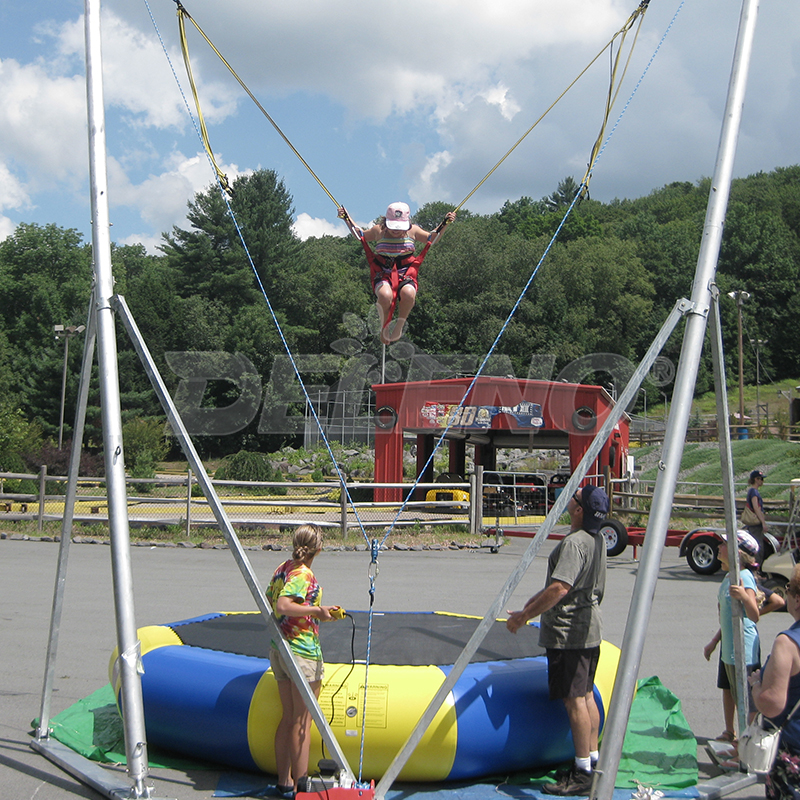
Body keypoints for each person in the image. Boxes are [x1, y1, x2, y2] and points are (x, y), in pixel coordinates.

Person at [506, 485, 610, 796]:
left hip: (569, 633)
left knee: (574, 699)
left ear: (579, 510)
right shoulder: (598, 539)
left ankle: (581, 772)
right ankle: (591, 761)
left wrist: (525, 617)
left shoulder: (575, 543)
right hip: (589, 629)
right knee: (586, 694)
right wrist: (527, 607)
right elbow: (561, 587)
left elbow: (560, 589)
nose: (569, 500)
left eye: (574, 499)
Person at [266, 524, 339, 798]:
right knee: (301, 721)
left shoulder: (282, 568)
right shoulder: (303, 574)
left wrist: (313, 610)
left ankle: (284, 782)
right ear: (318, 549)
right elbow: (283, 605)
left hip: (281, 649)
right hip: (301, 652)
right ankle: (302, 787)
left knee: (288, 717)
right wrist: (316, 611)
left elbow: (271, 597)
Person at [338, 202, 456, 344]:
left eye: (399, 227)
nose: (395, 231)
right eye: (393, 226)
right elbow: (360, 234)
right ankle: (384, 328)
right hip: (382, 271)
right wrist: (346, 218)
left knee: (408, 294)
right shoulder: (378, 231)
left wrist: (445, 223)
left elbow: (432, 238)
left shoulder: (413, 231)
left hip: (406, 272)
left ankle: (399, 325)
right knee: (385, 295)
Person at [703, 530, 762, 750]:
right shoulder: (728, 577)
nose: (718, 548)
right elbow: (727, 617)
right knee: (728, 689)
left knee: (745, 699)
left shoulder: (744, 577)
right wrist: (714, 641)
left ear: (737, 552)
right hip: (728, 647)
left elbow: (754, 615)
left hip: (743, 648)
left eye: (723, 544)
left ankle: (746, 744)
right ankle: (731, 733)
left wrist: (746, 596)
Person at [750, 564, 800, 800]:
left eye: (788, 588)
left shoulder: (788, 643)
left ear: (797, 599)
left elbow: (771, 704)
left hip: (793, 748)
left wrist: (756, 685)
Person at [743, 470, 769, 560]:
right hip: (755, 525)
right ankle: (757, 569)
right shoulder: (754, 492)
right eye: (761, 479)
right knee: (758, 547)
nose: (762, 481)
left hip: (753, 525)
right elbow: (756, 508)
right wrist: (763, 523)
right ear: (756, 479)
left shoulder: (752, 491)